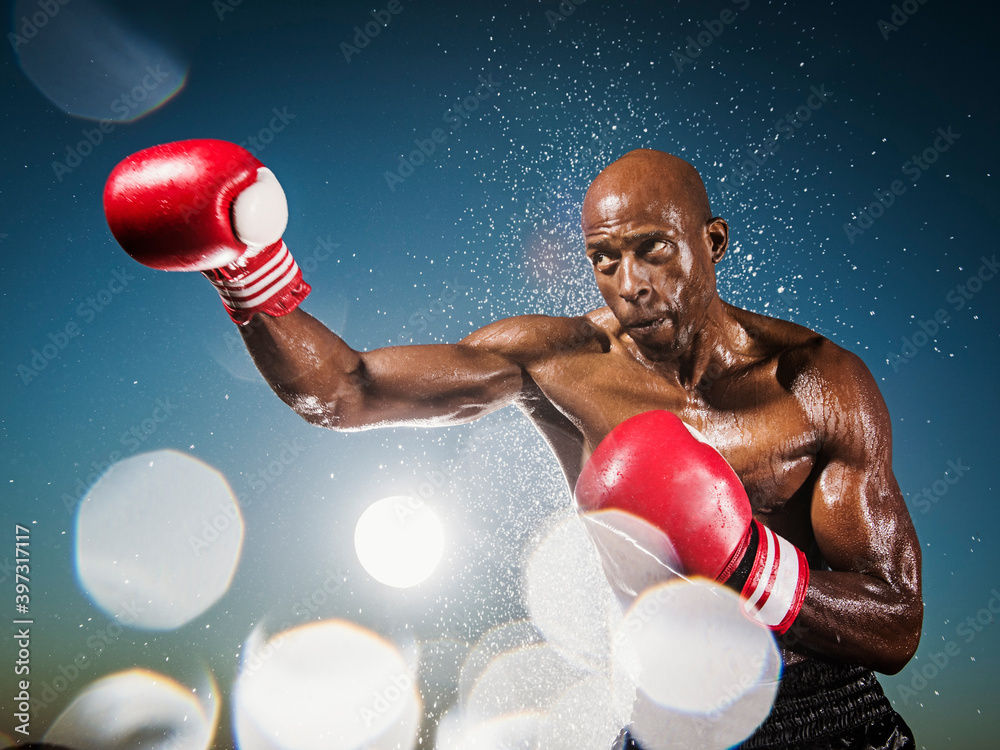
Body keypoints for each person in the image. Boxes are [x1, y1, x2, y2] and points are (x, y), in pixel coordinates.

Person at [104, 141, 922, 748]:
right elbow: (344, 393)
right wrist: (248, 274)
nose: (630, 283)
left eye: (654, 250)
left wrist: (744, 560)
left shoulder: (818, 384)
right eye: (605, 260)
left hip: (829, 713)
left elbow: (895, 625)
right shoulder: (559, 362)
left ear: (712, 242)